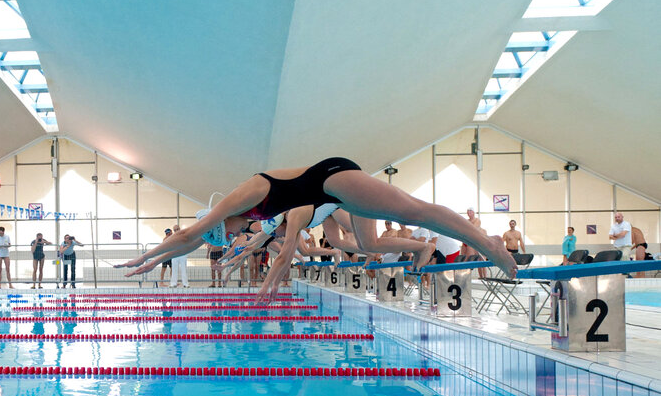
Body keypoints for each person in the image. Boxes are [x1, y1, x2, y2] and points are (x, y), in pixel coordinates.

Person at [117, 157, 513, 302]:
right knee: (367, 243)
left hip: (332, 178)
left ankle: (486, 242)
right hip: (333, 197)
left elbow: (188, 234)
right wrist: (153, 262)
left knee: (416, 211)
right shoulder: (250, 219)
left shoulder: (240, 197)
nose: (235, 236)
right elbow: (190, 242)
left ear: (223, 222)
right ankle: (423, 248)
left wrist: (146, 257)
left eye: (229, 233)